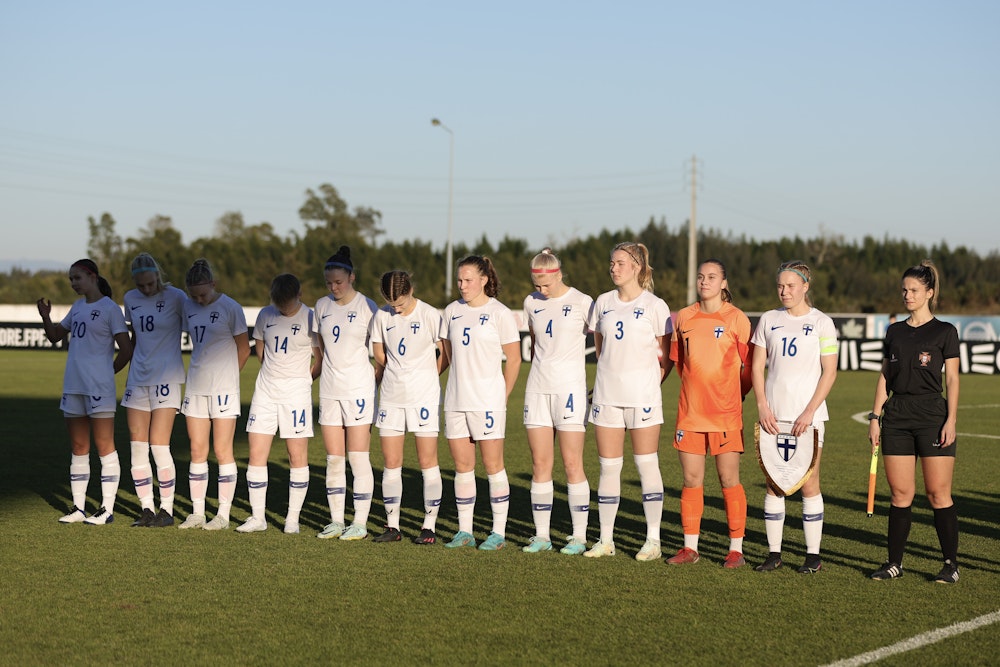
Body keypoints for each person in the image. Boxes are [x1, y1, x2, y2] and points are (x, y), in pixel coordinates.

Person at [868, 260, 960, 583]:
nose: (907, 295)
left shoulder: (945, 331)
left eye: (914, 290)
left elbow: (953, 380)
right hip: (897, 416)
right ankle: (894, 563)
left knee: (938, 493)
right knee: (900, 494)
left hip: (932, 415)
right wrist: (875, 416)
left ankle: (950, 564)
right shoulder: (894, 331)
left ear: (929, 293)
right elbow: (885, 376)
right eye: (904, 290)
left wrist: (951, 419)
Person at [584, 242, 671, 561]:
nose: (614, 268)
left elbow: (666, 358)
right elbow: (600, 348)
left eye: (620, 263)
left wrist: (647, 385)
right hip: (607, 396)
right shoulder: (602, 302)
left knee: (647, 465)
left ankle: (653, 540)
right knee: (608, 468)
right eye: (612, 262)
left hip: (642, 398)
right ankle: (606, 540)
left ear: (637, 267)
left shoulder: (655, 305)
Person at [750, 260, 838, 573]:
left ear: (805, 286)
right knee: (774, 482)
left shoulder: (822, 322)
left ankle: (813, 556)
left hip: (807, 417)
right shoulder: (768, 319)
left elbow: (830, 372)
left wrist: (810, 411)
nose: (784, 291)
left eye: (790, 286)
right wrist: (762, 405)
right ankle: (774, 553)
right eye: (780, 286)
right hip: (773, 416)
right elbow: (756, 366)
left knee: (809, 482)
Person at [666, 259, 753, 568]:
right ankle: (690, 548)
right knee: (691, 479)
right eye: (701, 276)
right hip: (690, 414)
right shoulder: (684, 317)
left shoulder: (737, 319)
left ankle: (736, 550)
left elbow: (749, 369)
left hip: (726, 415)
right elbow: (680, 363)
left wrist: (735, 396)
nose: (705, 281)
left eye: (712, 277)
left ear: (723, 283)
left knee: (729, 479)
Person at [38, 258, 133, 524]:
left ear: (93, 277)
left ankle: (107, 509)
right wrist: (45, 317)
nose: (73, 283)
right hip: (73, 386)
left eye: (77, 278)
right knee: (79, 447)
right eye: (71, 279)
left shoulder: (110, 309)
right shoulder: (78, 306)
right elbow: (55, 336)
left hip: (98, 389)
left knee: (105, 447)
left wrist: (106, 374)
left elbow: (126, 350)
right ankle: (78, 509)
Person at [440, 255, 521, 550]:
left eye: (468, 280)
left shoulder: (500, 313)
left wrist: (502, 396)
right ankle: (465, 531)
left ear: (484, 280)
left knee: (493, 466)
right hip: (456, 401)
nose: (462, 286)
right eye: (459, 280)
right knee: (462, 467)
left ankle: (498, 533)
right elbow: (448, 354)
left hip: (488, 402)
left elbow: (514, 359)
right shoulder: (451, 311)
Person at [521, 249, 595, 555]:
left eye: (546, 285)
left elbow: (602, 341)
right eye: (536, 285)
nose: (541, 290)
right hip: (537, 389)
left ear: (559, 274)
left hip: (570, 391)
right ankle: (542, 536)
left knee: (572, 463)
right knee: (540, 463)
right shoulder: (530, 302)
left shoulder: (583, 301)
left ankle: (578, 536)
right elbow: (537, 344)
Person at [236, 274, 321, 534]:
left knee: (297, 455)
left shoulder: (311, 318)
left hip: (296, 396)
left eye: (287, 302)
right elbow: (261, 351)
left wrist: (301, 382)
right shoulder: (265, 315)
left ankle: (292, 519)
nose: (282, 307)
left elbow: (320, 359)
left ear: (299, 295)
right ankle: (257, 518)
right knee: (256, 453)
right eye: (278, 302)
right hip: (265, 392)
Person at [370, 270, 446, 544]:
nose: (396, 309)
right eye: (391, 304)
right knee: (391, 463)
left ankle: (429, 527)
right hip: (392, 396)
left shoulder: (430, 314)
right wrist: (394, 370)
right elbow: (378, 351)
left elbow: (444, 352)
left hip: (423, 397)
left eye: (400, 303)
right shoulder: (381, 316)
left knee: (427, 462)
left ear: (410, 290)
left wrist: (428, 376)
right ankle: (392, 526)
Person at [178, 259, 251, 530]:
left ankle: (222, 515)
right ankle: (197, 513)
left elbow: (244, 349)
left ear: (213, 284)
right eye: (194, 295)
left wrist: (229, 378)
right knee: (197, 450)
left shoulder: (231, 307)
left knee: (222, 450)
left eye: (203, 294)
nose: (198, 300)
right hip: (196, 386)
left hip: (223, 390)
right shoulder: (187, 306)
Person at [313, 246, 379, 540]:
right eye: (329, 282)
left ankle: (360, 524)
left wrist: (372, 382)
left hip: (358, 391)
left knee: (358, 458)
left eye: (339, 282)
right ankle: (337, 521)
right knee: (334, 458)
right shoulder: (321, 306)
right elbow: (321, 349)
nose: (333, 287)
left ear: (352, 277)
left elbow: (381, 352)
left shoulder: (368, 307)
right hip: (330, 391)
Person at [122, 253, 187, 528]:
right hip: (138, 379)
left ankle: (166, 510)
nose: (146, 289)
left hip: (167, 379)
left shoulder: (177, 297)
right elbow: (136, 337)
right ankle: (147, 509)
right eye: (141, 285)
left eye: (150, 283)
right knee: (137, 447)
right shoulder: (130, 298)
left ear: (158, 276)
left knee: (159, 445)